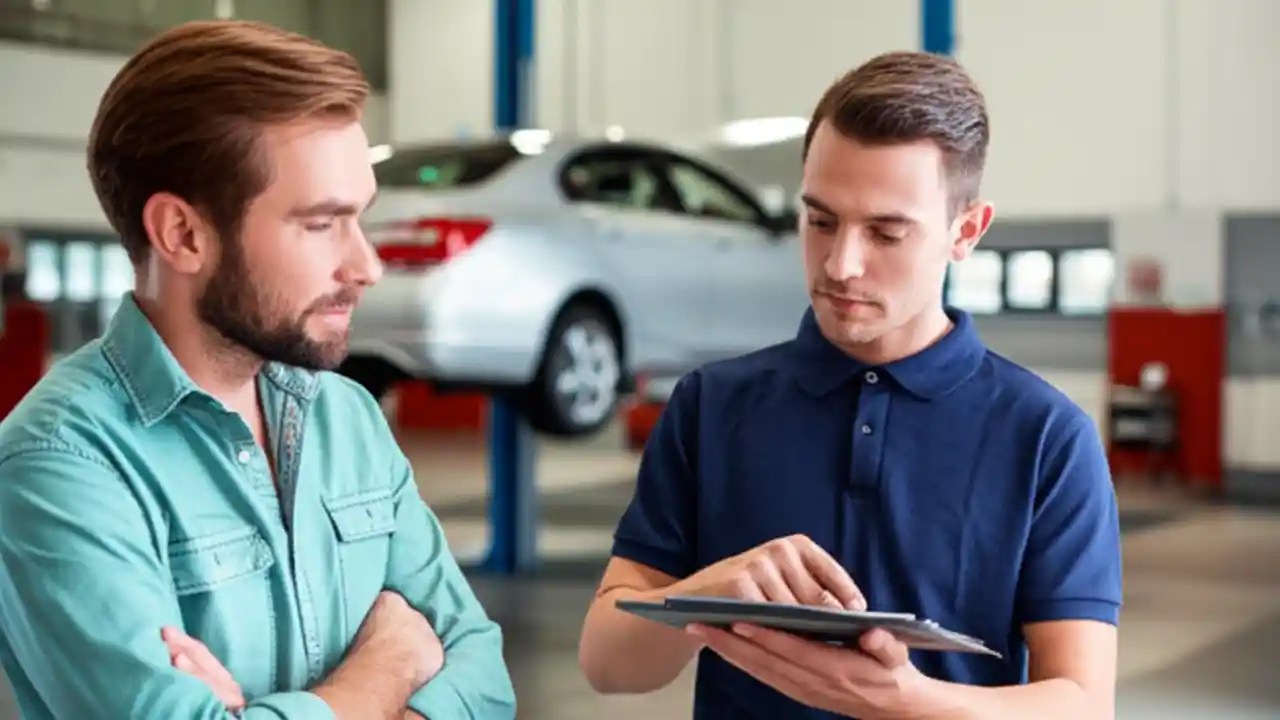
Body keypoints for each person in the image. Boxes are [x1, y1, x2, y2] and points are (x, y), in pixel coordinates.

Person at [578, 50, 1121, 719]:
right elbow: (606, 664)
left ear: (966, 231)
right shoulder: (710, 407)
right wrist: (703, 593)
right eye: (821, 220)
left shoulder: (1046, 438)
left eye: (887, 233)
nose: (842, 264)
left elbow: (1083, 703)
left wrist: (905, 700)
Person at [0, 20, 516, 720]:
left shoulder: (348, 417)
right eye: (319, 223)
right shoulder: (60, 465)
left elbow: (484, 682)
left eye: (360, 217)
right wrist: (391, 662)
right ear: (183, 234)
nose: (366, 266)